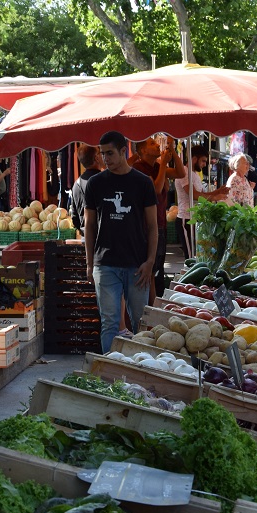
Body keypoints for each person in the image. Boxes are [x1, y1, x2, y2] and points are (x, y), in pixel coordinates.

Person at [83, 131, 158, 351]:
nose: (105, 158)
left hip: (137, 265)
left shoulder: (143, 183)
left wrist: (150, 262)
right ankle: (109, 369)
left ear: (123, 151)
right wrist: (89, 264)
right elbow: (89, 226)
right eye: (102, 153)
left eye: (110, 153)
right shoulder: (95, 183)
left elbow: (153, 227)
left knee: (140, 323)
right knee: (109, 323)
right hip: (105, 264)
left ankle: (140, 368)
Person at [129, 135, 186, 298]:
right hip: (146, 226)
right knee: (151, 271)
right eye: (152, 143)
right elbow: (156, 189)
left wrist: (172, 150)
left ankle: (152, 303)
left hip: (160, 223)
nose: (157, 145)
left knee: (157, 270)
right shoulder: (138, 168)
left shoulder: (157, 166)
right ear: (143, 151)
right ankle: (151, 305)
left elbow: (181, 173)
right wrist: (164, 165)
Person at [176, 147, 228, 258]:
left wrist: (218, 191)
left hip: (195, 218)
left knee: (197, 255)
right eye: (203, 161)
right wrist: (214, 197)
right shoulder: (184, 172)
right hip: (186, 218)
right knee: (191, 256)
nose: (205, 164)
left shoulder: (194, 174)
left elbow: (203, 194)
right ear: (194, 159)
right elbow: (193, 195)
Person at [69, 144, 101, 233]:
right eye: (101, 153)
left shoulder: (76, 184)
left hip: (85, 235)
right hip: (103, 235)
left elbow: (74, 217)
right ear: (96, 158)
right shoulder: (103, 181)